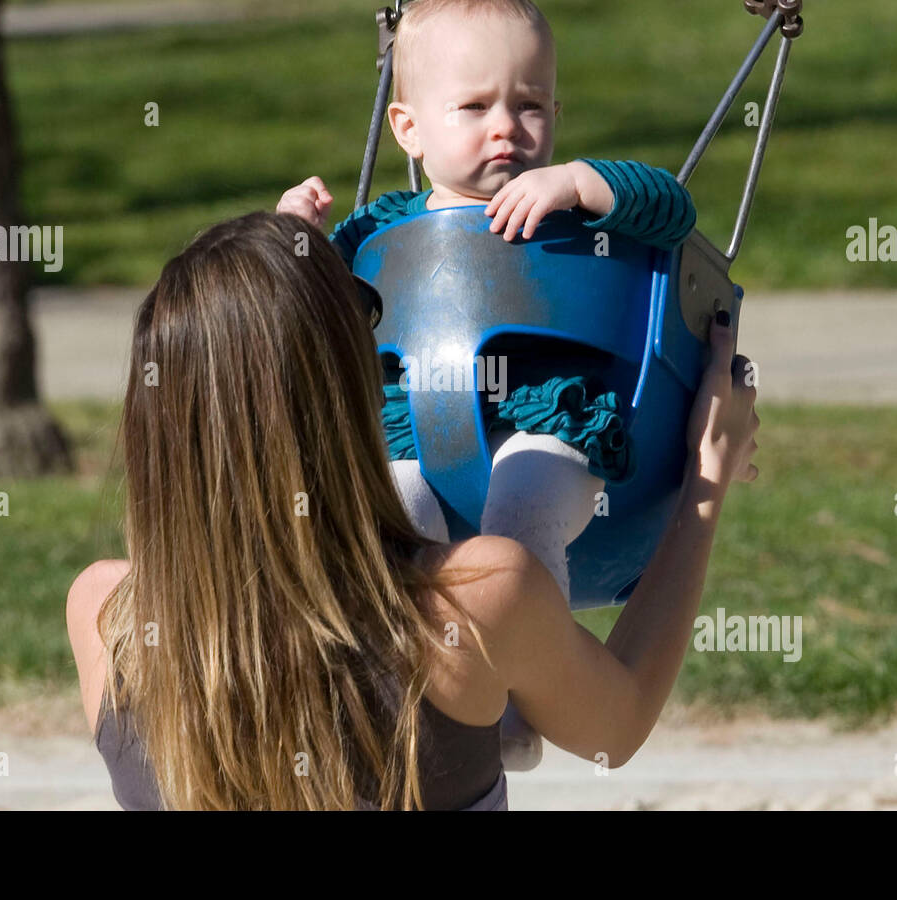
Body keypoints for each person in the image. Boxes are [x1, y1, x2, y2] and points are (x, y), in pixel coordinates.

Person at [65, 211, 757, 810]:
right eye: (370, 316)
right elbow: (620, 724)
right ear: (344, 388)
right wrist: (705, 479)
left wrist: (275, 288)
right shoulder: (472, 603)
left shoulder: (107, 616)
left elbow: (243, 398)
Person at [278, 0, 699, 768]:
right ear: (408, 127)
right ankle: (427, 693)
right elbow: (311, 316)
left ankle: (516, 689)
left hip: (545, 418)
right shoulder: (378, 226)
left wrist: (579, 181)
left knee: (525, 507)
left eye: (530, 104)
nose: (507, 127)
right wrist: (297, 238)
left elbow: (671, 208)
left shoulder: (570, 204)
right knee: (390, 530)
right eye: (474, 108)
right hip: (406, 433)